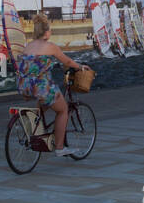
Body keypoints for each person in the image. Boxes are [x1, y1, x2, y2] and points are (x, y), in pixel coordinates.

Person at [16, 13, 90, 156]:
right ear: (46, 32)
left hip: (24, 86)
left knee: (41, 109)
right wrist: (80, 67)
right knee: (63, 110)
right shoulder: (50, 46)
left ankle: (35, 137)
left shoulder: (28, 46)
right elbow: (67, 62)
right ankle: (60, 148)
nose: (51, 32)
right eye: (50, 30)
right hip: (41, 87)